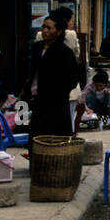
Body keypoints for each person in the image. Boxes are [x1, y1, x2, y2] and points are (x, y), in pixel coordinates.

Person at [25, 13, 82, 141]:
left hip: (56, 104)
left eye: (49, 28)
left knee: (55, 141)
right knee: (36, 139)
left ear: (58, 31)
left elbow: (74, 77)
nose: (44, 31)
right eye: (43, 27)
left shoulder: (64, 52)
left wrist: (59, 92)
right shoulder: (37, 48)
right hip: (37, 101)